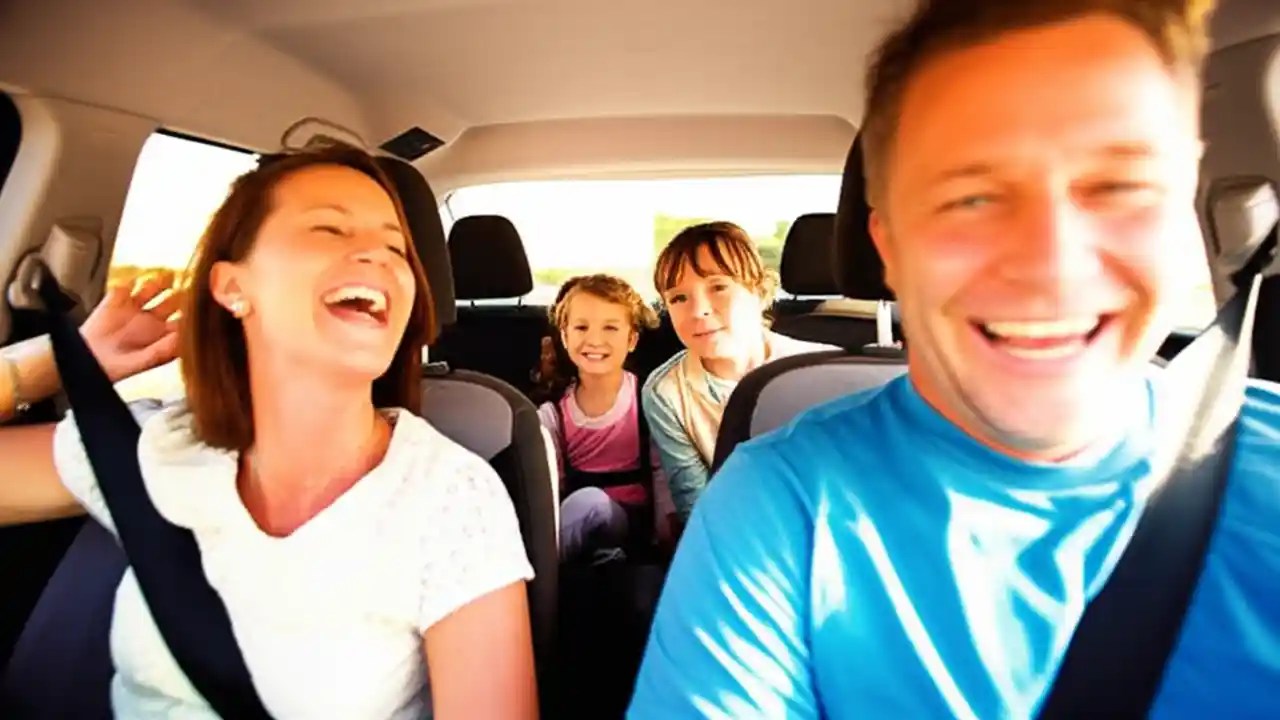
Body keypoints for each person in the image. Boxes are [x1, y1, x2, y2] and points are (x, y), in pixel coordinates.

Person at [629, 1, 1280, 718]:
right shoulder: (780, 508)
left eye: (1120, 186)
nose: (1051, 264)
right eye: (970, 196)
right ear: (890, 248)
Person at [0, 140, 539, 719]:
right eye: (329, 231)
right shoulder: (148, 446)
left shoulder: (450, 499)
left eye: (394, 246)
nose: (378, 257)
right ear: (232, 286)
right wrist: (60, 362)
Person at [642, 221, 833, 533]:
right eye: (678, 298)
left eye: (718, 287)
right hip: (733, 538)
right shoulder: (666, 393)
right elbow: (697, 505)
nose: (698, 310)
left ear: (758, 293)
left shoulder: (821, 370)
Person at [535, 274, 672, 561]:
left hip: (632, 524)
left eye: (610, 328)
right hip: (574, 518)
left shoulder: (649, 398)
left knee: (591, 503)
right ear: (565, 336)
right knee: (583, 506)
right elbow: (547, 491)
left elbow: (663, 475)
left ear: (632, 339)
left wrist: (665, 543)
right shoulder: (553, 413)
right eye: (581, 327)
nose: (594, 340)